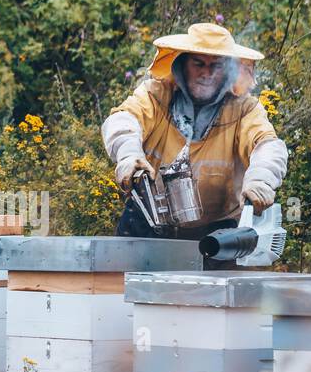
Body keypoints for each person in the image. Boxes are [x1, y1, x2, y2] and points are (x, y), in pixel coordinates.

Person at [102, 22, 288, 246]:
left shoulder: (244, 109)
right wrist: (128, 154)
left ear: (228, 70)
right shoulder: (155, 95)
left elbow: (268, 146)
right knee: (123, 280)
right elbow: (123, 120)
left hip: (217, 233)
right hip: (147, 223)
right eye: (198, 63)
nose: (206, 73)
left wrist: (261, 178)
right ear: (182, 64)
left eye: (216, 66)